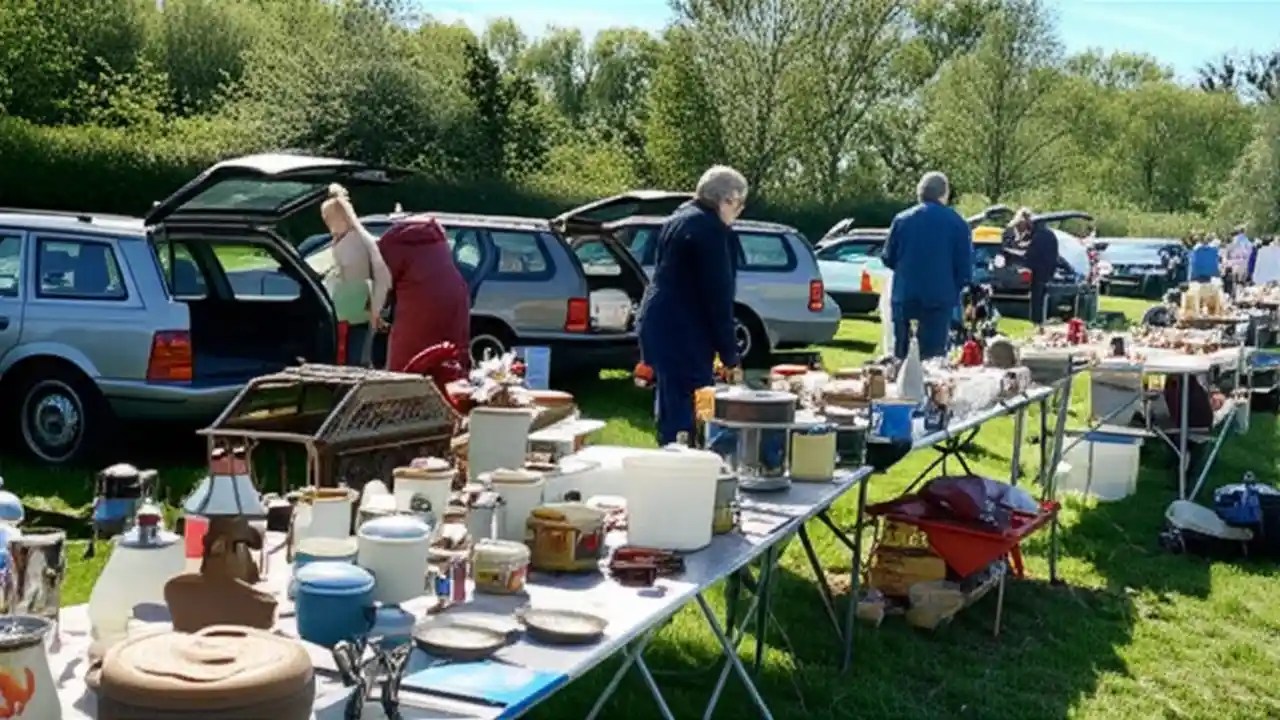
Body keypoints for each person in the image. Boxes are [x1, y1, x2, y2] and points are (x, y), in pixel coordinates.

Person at [638, 165, 746, 445]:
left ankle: (671, 453)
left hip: (661, 321)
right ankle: (681, 466)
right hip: (683, 329)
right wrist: (730, 356)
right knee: (687, 408)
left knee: (671, 401)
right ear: (726, 200)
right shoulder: (710, 231)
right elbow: (718, 296)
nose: (738, 212)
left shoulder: (680, 217)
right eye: (739, 205)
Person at [882, 171, 972, 359]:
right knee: (932, 359)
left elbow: (888, 258)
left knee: (902, 355)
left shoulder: (901, 220)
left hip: (905, 297)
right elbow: (964, 272)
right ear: (944, 194)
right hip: (938, 300)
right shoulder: (958, 224)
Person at [376, 217, 471, 373]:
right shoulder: (435, 238)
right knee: (449, 356)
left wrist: (375, 308)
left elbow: (383, 284)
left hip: (419, 303)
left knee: (407, 363)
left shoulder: (391, 246)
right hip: (455, 294)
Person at [320, 184, 391, 367]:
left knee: (357, 360)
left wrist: (375, 310)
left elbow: (380, 276)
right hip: (347, 312)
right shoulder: (343, 240)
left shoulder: (358, 241)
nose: (326, 223)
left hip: (358, 313)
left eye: (328, 218)